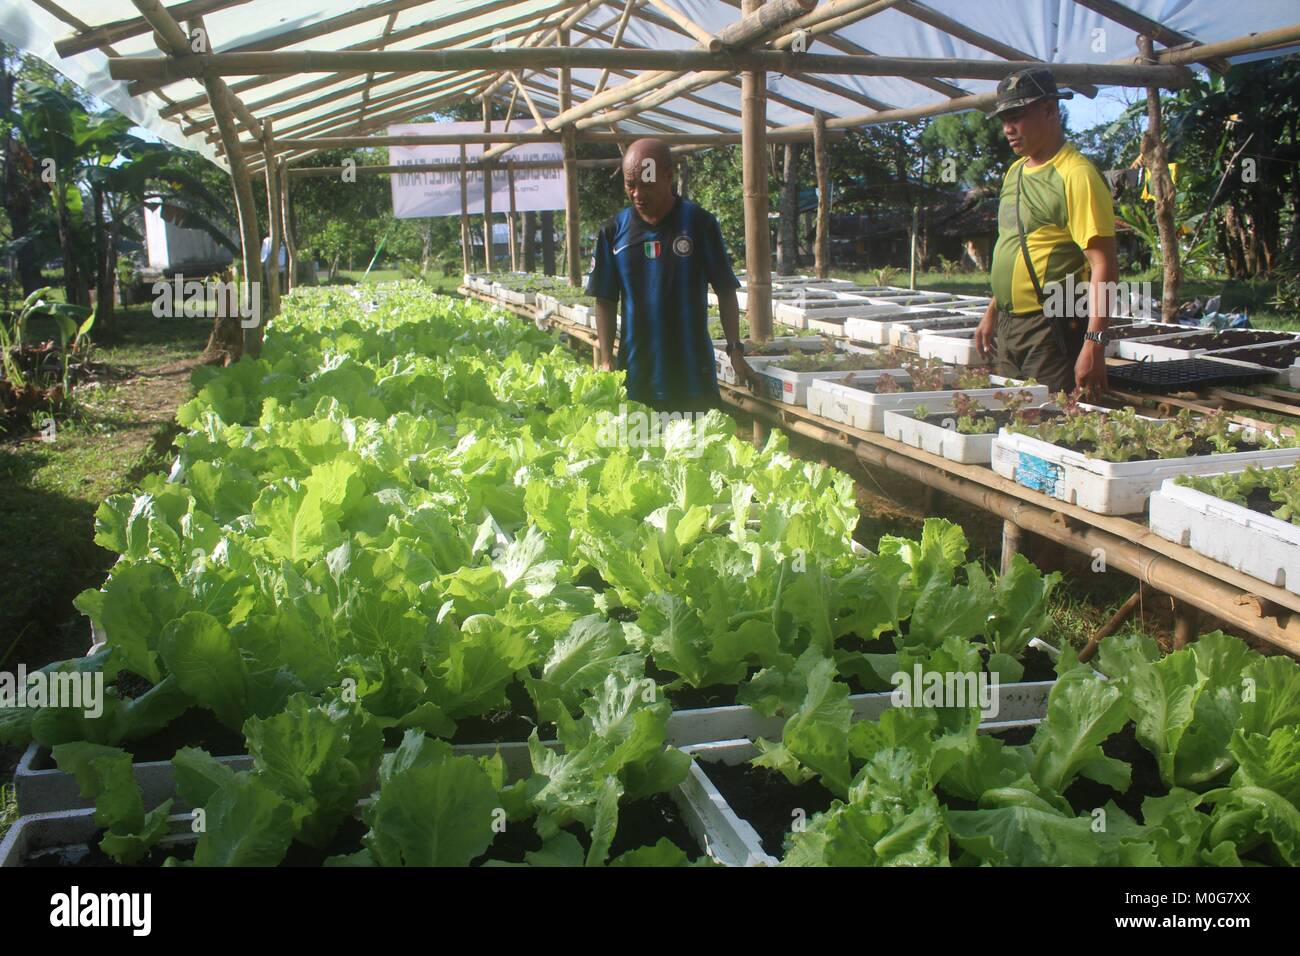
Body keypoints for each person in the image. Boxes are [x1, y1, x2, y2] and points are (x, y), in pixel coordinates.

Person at [974, 67, 1118, 397]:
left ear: (1050, 111)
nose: (1008, 128)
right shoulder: (1014, 173)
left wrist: (1095, 343)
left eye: (1017, 116)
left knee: (1050, 422)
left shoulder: (1076, 174)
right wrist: (992, 313)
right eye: (1003, 119)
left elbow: (1104, 265)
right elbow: (1015, 245)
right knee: (1010, 422)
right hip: (1010, 326)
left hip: (1051, 326)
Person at [586, 138, 754, 414]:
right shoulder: (613, 231)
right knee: (639, 450)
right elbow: (604, 299)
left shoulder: (699, 224)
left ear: (668, 176)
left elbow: (725, 290)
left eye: (647, 185)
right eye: (631, 185)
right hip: (637, 374)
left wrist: (735, 350)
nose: (638, 194)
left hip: (692, 376)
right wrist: (606, 359)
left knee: (699, 451)